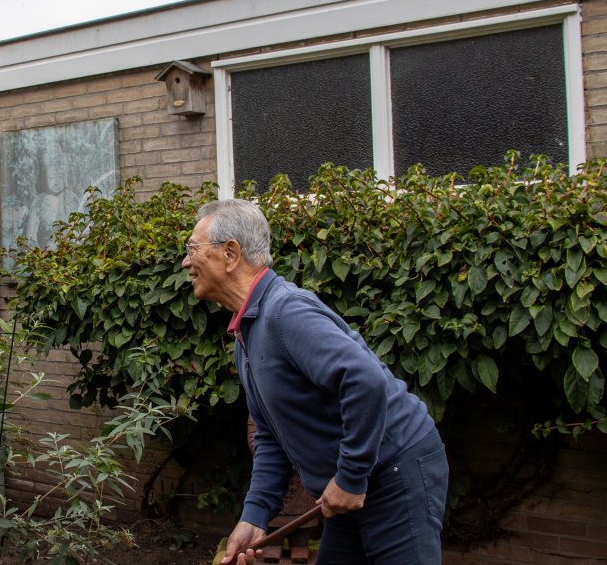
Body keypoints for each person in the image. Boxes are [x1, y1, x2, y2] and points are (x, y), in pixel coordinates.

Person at [182, 199, 448, 565]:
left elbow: (365, 381)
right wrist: (254, 516)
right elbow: (269, 435)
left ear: (230, 254)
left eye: (192, 249)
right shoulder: (247, 333)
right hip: (347, 487)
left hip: (395, 472)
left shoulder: (286, 312)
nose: (186, 262)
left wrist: (352, 477)